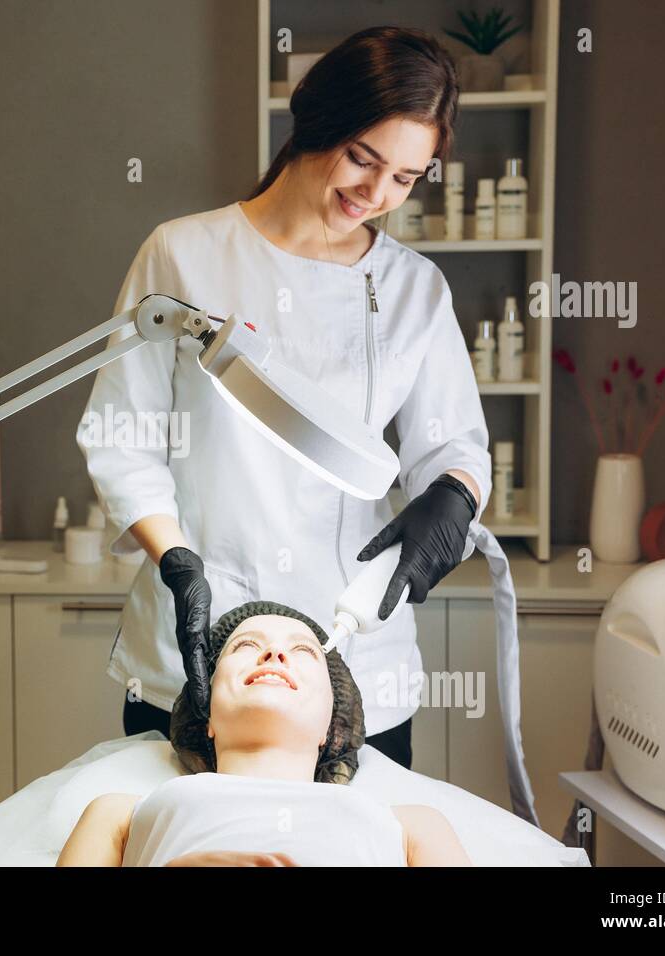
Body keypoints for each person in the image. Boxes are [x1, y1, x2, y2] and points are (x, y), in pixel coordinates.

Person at [75, 26, 490, 767]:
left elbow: (453, 444)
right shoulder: (184, 254)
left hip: (352, 659)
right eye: (363, 158)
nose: (376, 194)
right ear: (314, 119)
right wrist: (178, 563)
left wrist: (454, 497)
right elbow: (121, 437)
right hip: (200, 656)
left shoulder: (414, 289)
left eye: (405, 177)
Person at [56, 604, 471, 866]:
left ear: (334, 723)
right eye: (244, 647)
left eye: (304, 652)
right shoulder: (117, 813)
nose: (274, 654)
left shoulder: (412, 824)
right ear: (207, 717)